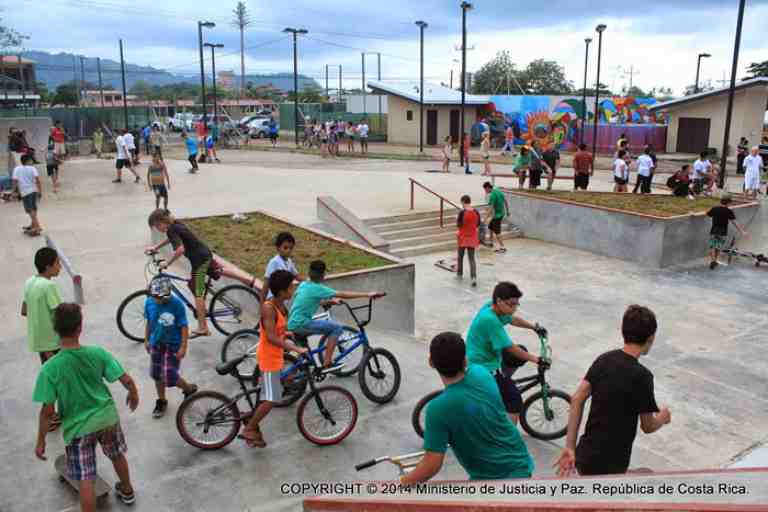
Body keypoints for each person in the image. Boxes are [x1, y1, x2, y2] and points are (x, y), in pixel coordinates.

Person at [33, 303, 139, 509]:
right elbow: (125, 379)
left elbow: (47, 412)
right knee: (117, 455)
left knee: (86, 478)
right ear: (80, 328)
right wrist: (133, 393)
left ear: (55, 330)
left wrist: (41, 440)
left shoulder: (49, 369)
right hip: (107, 418)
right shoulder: (97, 353)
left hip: (78, 428)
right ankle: (127, 491)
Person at [400, 332, 534, 485]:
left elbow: (431, 465)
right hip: (520, 462)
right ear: (465, 361)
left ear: (431, 362)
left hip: (492, 481)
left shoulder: (437, 410)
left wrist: (401, 483)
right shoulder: (482, 373)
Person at [555, 305, 671, 477]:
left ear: (624, 331)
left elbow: (577, 398)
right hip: (612, 464)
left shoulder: (604, 360)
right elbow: (648, 426)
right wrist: (663, 417)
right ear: (651, 337)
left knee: (644, 473)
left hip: (585, 454)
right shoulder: (643, 376)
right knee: (646, 476)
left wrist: (570, 447)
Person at [145, 209, 256, 337]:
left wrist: (168, 263)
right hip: (204, 255)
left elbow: (180, 249)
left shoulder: (172, 229)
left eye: (157, 226)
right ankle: (248, 280)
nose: (158, 229)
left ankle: (203, 328)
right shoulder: (176, 224)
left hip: (199, 261)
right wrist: (156, 247)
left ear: (162, 222)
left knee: (198, 292)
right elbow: (173, 239)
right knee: (214, 273)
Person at [239, 270, 308, 448]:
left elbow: (277, 330)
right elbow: (270, 336)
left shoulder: (280, 305)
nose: (294, 288)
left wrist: (287, 333)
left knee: (275, 388)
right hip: (269, 357)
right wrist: (295, 348)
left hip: (276, 355)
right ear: (282, 291)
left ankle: (251, 420)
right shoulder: (269, 307)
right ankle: (250, 428)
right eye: (291, 286)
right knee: (272, 398)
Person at [465, 282, 549, 424]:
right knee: (514, 400)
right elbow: (510, 348)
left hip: (486, 355)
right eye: (511, 305)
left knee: (521, 352)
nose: (514, 308)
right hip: (483, 365)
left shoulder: (493, 307)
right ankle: (507, 439)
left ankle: (501, 383)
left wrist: (534, 327)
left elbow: (512, 320)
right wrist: (537, 360)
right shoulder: (490, 320)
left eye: (517, 305)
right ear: (499, 301)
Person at [287, 260, 384, 370]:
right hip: (302, 323)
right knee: (336, 328)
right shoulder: (317, 288)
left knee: (304, 359)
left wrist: (329, 302)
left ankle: (291, 379)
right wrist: (367, 294)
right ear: (323, 275)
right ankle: (327, 363)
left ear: (309, 272)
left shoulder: (304, 284)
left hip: (293, 323)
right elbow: (342, 294)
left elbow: (309, 300)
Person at [144, 277, 197, 418]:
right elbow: (149, 321)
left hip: (173, 344)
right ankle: (161, 400)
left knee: (170, 376)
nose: (156, 299)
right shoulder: (149, 302)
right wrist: (146, 339)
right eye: (153, 296)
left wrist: (183, 347)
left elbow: (184, 325)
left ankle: (189, 389)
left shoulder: (177, 304)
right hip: (156, 342)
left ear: (167, 295)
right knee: (156, 374)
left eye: (158, 297)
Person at [706, 195, 748, 270]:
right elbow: (734, 222)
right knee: (718, 246)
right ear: (728, 203)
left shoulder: (715, 208)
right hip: (723, 232)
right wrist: (742, 231)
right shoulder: (729, 211)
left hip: (714, 230)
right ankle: (715, 260)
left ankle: (712, 260)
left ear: (720, 202)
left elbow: (707, 214)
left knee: (712, 246)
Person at [261, 231, 305, 303]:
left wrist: (310, 282)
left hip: (283, 299)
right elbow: (266, 283)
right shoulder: (274, 262)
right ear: (278, 248)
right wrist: (262, 303)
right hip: (273, 299)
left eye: (291, 248)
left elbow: (297, 276)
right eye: (285, 248)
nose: (288, 250)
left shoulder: (289, 261)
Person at [13, 154, 43, 236]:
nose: (32, 161)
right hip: (34, 191)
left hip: (25, 193)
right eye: (31, 160)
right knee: (33, 208)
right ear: (27, 161)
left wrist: (14, 192)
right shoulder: (33, 168)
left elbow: (15, 181)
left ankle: (37, 226)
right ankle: (33, 224)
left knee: (30, 210)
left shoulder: (17, 169)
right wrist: (40, 191)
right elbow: (38, 180)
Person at [456, 195, 480, 286]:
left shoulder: (462, 212)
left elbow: (459, 225)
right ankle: (473, 278)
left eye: (461, 202)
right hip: (472, 237)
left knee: (460, 257)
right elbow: (478, 224)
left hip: (463, 237)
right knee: (472, 259)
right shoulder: (476, 212)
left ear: (463, 202)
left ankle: (459, 274)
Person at [483, 181, 507, 253]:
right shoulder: (499, 191)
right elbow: (505, 201)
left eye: (485, 190)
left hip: (497, 216)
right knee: (490, 227)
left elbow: (491, 208)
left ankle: (502, 247)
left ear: (487, 188)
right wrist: (508, 211)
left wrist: (486, 217)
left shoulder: (492, 195)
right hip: (501, 213)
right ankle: (491, 242)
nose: (485, 191)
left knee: (497, 232)